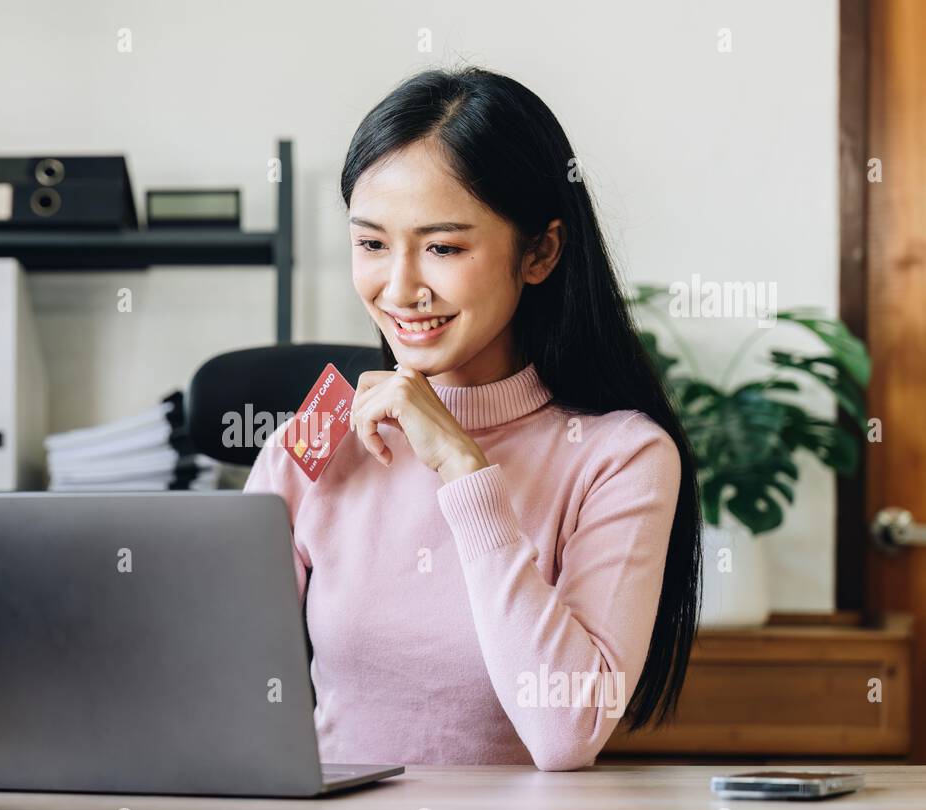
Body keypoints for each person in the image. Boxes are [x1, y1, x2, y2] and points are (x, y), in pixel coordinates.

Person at [243, 67, 701, 770]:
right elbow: (225, 683)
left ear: (540, 252)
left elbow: (566, 733)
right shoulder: (320, 432)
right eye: (371, 244)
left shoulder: (621, 457)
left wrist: (464, 470)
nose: (399, 289)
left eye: (443, 248)